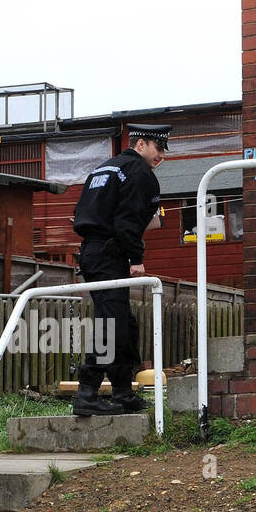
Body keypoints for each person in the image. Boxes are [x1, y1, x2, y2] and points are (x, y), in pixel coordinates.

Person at [70, 123, 168, 416]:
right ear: (140, 145)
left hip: (91, 251)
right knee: (111, 324)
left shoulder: (103, 169)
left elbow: (83, 212)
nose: (160, 156)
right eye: (157, 148)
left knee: (123, 321)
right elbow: (127, 220)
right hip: (109, 253)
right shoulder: (138, 173)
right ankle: (87, 392)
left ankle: (123, 392)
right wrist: (135, 257)